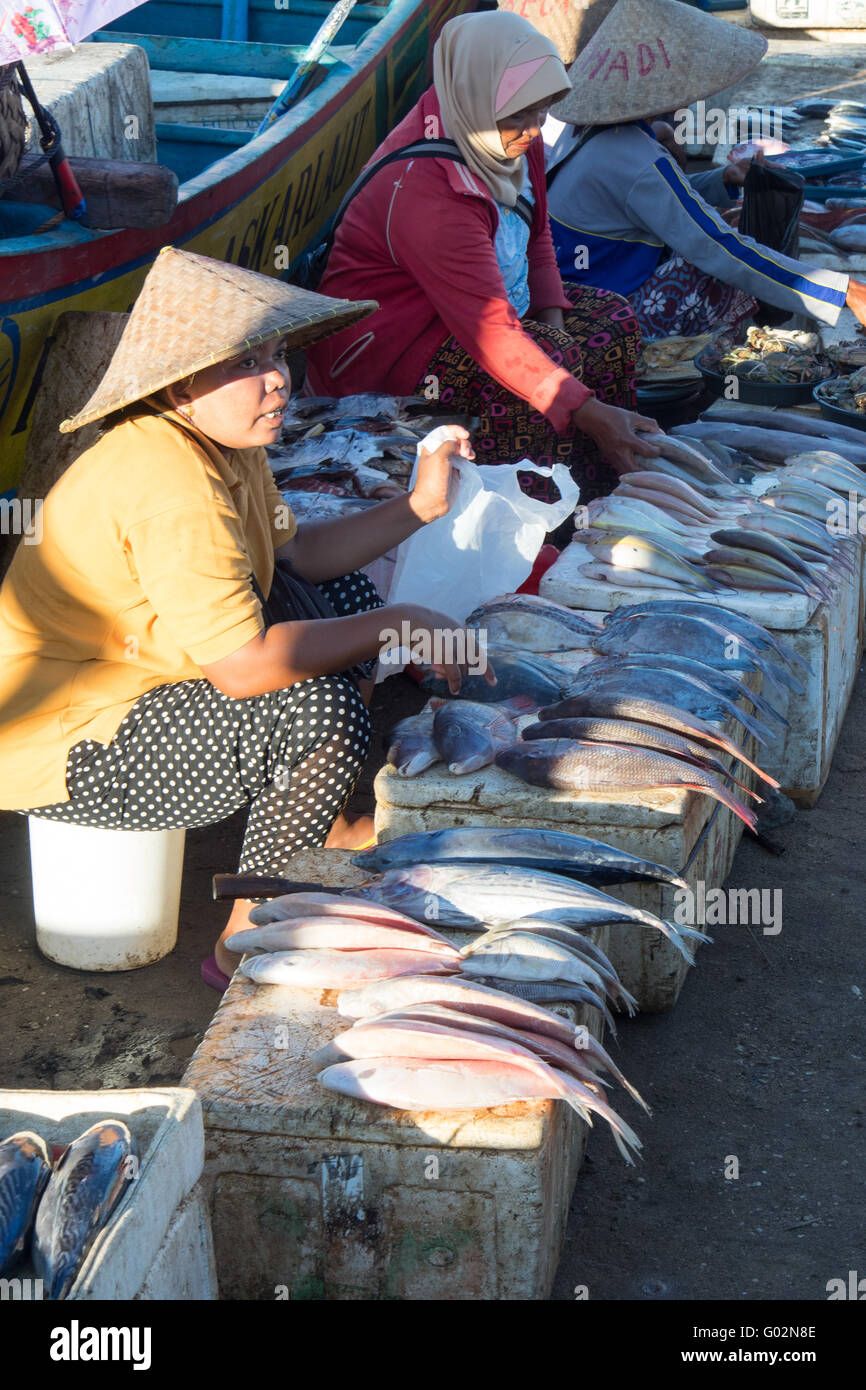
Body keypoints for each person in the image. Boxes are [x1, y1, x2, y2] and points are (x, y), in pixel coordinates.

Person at [0, 247, 484, 989]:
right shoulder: (167, 478)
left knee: (343, 601)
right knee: (320, 713)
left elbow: (298, 556)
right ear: (178, 386)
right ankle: (240, 938)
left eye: (277, 354)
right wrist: (405, 620)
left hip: (139, 684)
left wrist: (420, 506)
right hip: (65, 747)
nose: (277, 378)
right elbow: (243, 667)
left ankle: (307, 820)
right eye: (245, 362)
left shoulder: (223, 445)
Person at [305, 9, 662, 507]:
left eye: (543, 112)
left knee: (609, 322)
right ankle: (531, 516)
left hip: (477, 309)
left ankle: (603, 489)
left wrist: (555, 325)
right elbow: (490, 333)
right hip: (397, 351)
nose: (534, 130)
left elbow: (537, 235)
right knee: (547, 370)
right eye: (520, 114)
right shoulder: (428, 190)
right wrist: (583, 403)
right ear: (475, 96)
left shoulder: (506, 129)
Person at [545, 0, 866, 341]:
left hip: (573, 291)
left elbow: (646, 199)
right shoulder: (635, 155)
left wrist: (722, 179)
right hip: (603, 315)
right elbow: (716, 247)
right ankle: (686, 370)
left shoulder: (585, 131)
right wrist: (842, 291)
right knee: (727, 266)